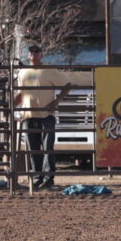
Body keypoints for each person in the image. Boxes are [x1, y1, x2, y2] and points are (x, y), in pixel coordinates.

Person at [13, 46, 73, 191]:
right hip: (28, 115)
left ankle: (48, 178)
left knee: (47, 149)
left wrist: (56, 101)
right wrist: (12, 105)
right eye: (31, 52)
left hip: (46, 115)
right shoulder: (23, 72)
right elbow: (21, 92)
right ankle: (37, 177)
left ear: (41, 54)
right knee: (33, 150)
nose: (33, 54)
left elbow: (67, 84)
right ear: (28, 55)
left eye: (36, 52)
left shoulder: (49, 70)